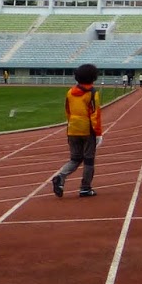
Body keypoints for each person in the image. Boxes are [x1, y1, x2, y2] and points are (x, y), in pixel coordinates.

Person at [52, 63, 103, 199]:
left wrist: (71, 125)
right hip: (87, 130)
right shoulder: (92, 93)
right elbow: (95, 114)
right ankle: (85, 188)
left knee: (75, 159)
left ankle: (60, 176)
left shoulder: (70, 92)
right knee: (88, 160)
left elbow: (67, 111)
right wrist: (98, 133)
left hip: (73, 129)